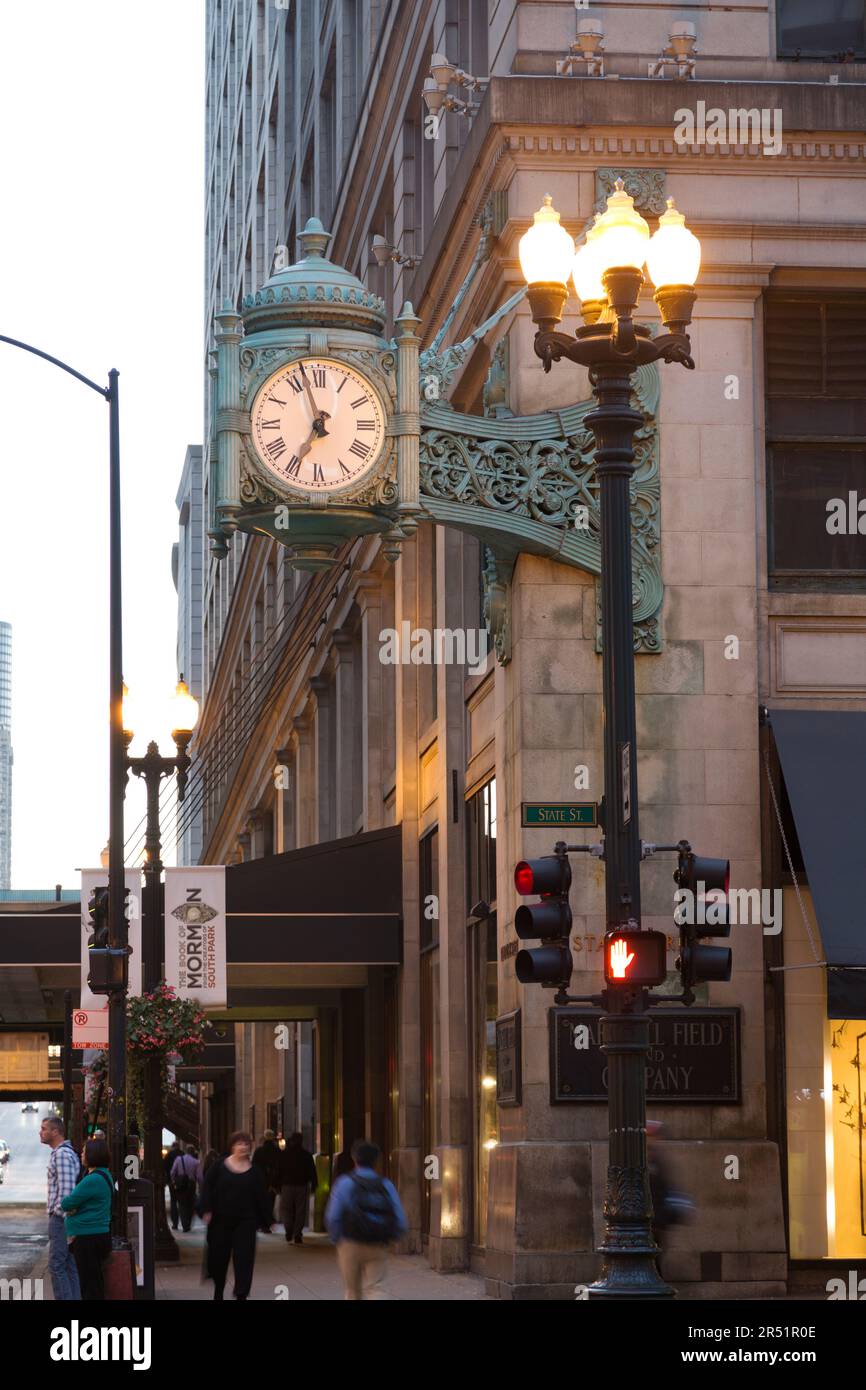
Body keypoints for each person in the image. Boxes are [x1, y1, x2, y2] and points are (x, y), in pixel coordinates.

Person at [325, 1139, 406, 1300]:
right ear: (376, 1161)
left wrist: (337, 1238)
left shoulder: (344, 1183)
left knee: (352, 1291)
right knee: (377, 1288)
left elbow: (333, 1216)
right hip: (377, 1241)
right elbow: (400, 1217)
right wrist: (393, 1237)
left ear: (354, 1159)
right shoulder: (385, 1184)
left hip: (350, 1242)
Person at [199, 1131, 273, 1300]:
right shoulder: (219, 1167)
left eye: (246, 1144)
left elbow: (261, 1197)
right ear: (232, 1146)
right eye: (239, 1144)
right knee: (219, 1259)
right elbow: (207, 1189)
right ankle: (219, 1290)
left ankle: (241, 1293)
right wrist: (206, 1209)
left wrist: (268, 1219)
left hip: (246, 1222)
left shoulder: (255, 1172)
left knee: (244, 1260)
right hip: (220, 1221)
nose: (243, 1147)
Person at [60, 1136, 113, 1300]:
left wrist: (73, 1208)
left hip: (88, 1237)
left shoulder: (92, 1180)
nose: (81, 1155)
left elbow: (67, 1203)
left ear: (92, 1155)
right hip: (96, 1235)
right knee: (94, 1280)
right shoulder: (103, 1175)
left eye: (84, 1152)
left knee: (89, 1285)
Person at [40, 1115, 81, 1301]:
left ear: (55, 1132)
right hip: (66, 1219)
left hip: (61, 1219)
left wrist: (57, 1214)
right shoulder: (64, 1153)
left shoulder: (62, 1155)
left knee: (57, 1265)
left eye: (44, 1129)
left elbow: (67, 1192)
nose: (40, 1132)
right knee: (68, 1264)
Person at [278, 1132, 318, 1244]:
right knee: (300, 1210)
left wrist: (276, 1184)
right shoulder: (306, 1155)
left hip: (287, 1185)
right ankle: (297, 1234)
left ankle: (288, 1229)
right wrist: (314, 1184)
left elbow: (278, 1170)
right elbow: (312, 1171)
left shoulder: (284, 1154)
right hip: (302, 1185)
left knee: (286, 1209)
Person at [252, 1129, 281, 1230]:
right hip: (273, 1181)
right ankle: (267, 1224)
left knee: (260, 1202)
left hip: (261, 1181)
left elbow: (253, 1166)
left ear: (264, 1137)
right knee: (270, 1202)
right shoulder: (277, 1151)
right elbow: (279, 1167)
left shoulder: (259, 1151)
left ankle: (262, 1223)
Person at [171, 1143, 199, 1233]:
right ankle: (188, 1223)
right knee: (190, 1204)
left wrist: (174, 1181)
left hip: (181, 1185)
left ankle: (184, 1225)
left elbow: (172, 1172)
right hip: (191, 1185)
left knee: (182, 1205)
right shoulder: (196, 1162)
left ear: (186, 1151)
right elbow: (199, 1177)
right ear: (193, 1152)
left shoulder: (179, 1159)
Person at [163, 1138, 183, 1230]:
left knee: (173, 1202)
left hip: (172, 1181)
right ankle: (185, 1223)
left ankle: (175, 1223)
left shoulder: (169, 1155)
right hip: (182, 1182)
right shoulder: (183, 1154)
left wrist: (168, 1180)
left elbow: (165, 1167)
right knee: (182, 1203)